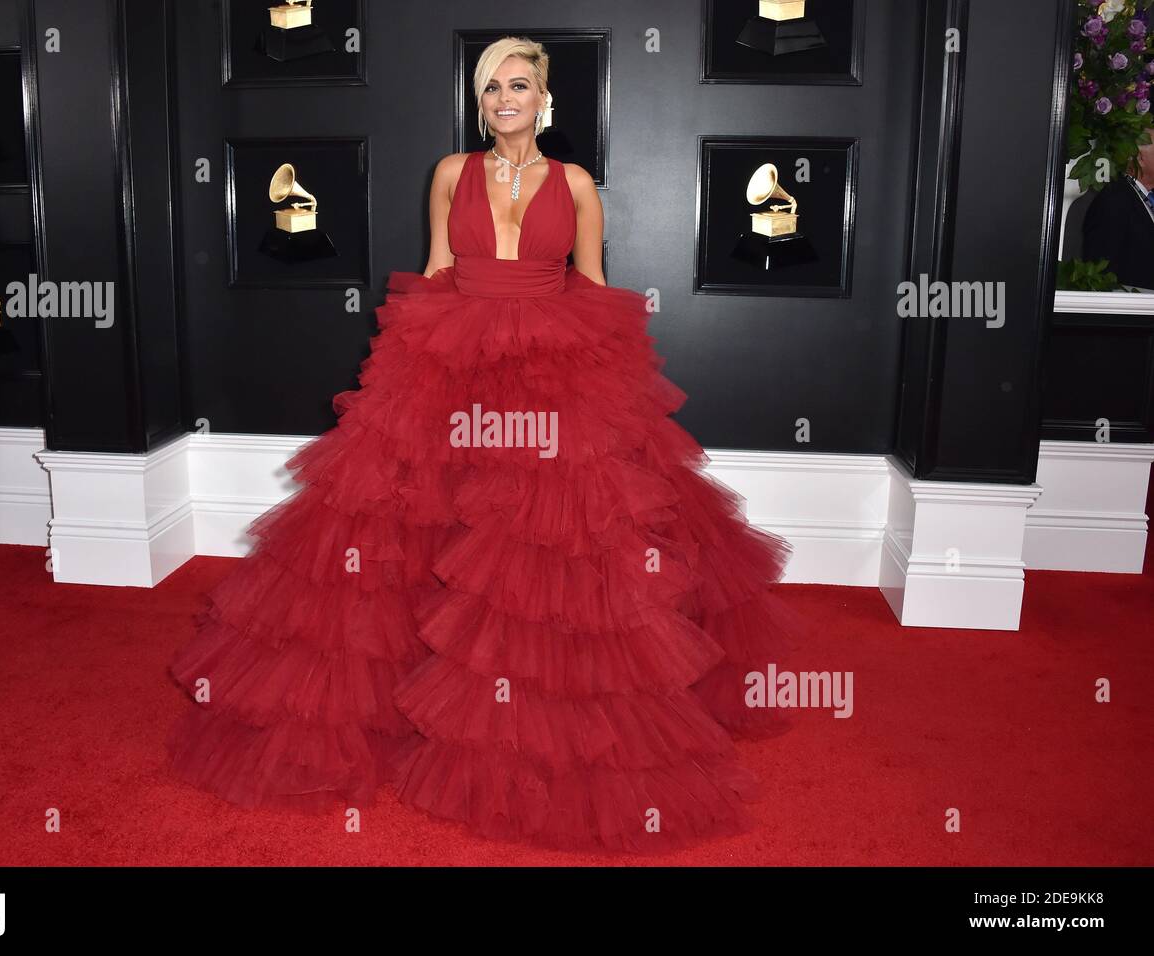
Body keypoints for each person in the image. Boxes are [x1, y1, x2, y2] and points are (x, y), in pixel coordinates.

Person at [165, 35, 802, 855]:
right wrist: (401, 373)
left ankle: (534, 723)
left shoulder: (575, 184)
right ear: (480, 100)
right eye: (493, 86)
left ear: (545, 100)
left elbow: (595, 285)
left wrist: (614, 393)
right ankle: (401, 707)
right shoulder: (448, 173)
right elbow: (434, 269)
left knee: (542, 550)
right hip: (451, 357)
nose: (506, 98)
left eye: (521, 85)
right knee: (404, 532)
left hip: (548, 367)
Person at [1082, 128, 1154, 289]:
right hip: (1126, 309)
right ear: (1140, 158)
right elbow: (1101, 273)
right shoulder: (1113, 201)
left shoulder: (1141, 198)